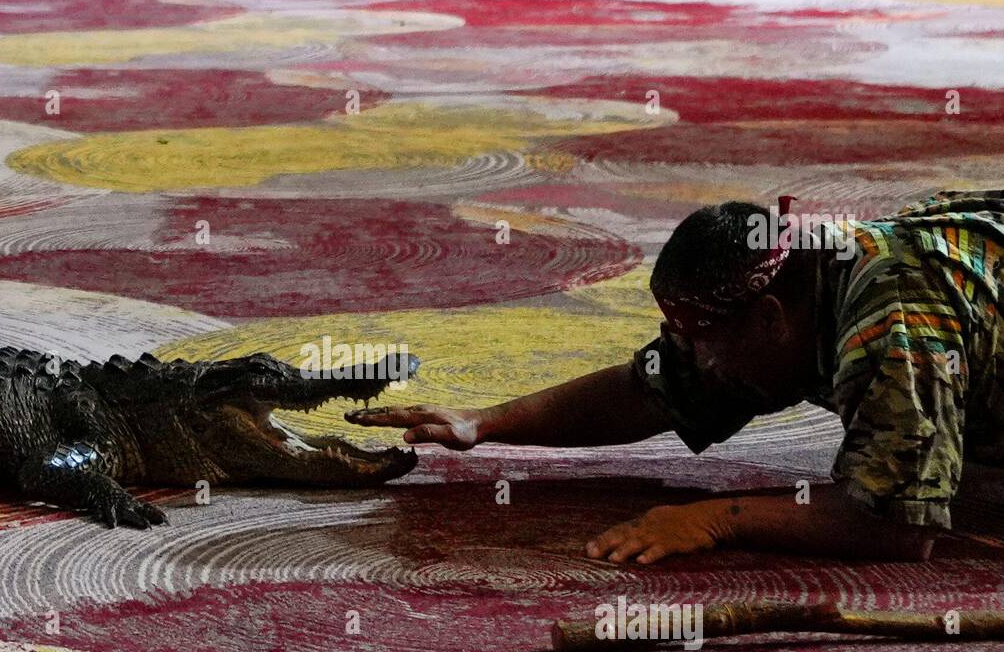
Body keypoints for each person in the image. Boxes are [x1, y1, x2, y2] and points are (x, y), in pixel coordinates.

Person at [347, 190, 1004, 564]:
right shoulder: (778, 285)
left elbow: (896, 524)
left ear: (769, 321)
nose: (699, 364)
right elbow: (648, 390)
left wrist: (719, 519)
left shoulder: (891, 322)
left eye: (705, 348)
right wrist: (487, 422)